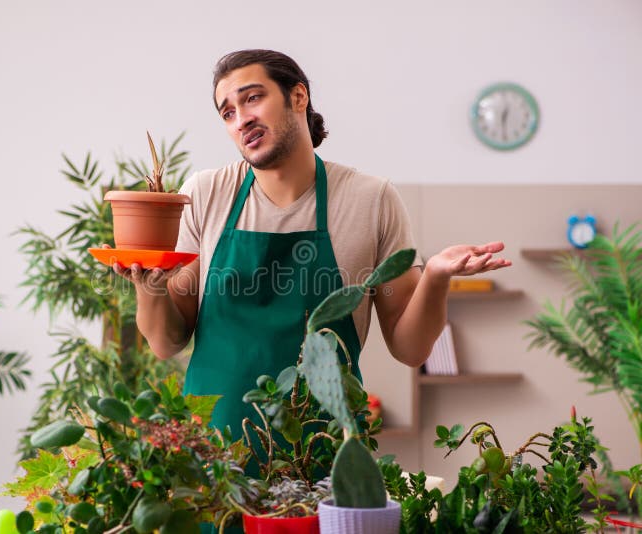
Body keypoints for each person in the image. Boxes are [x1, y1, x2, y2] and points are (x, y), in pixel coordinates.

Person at [113, 47, 510, 456]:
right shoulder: (205, 193)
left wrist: (436, 277)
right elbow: (167, 341)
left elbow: (410, 349)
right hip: (213, 455)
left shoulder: (370, 199)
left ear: (298, 97)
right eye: (227, 112)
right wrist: (148, 284)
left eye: (252, 98)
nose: (241, 118)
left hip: (324, 451)